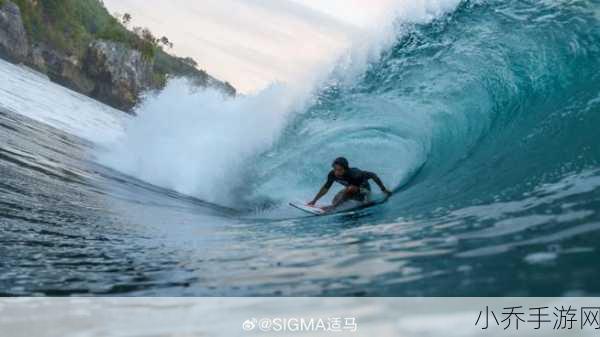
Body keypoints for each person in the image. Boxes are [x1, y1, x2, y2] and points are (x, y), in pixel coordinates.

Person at [308, 157, 392, 211]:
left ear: (345, 169)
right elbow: (325, 188)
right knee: (335, 199)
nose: (337, 172)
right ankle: (334, 206)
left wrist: (383, 189)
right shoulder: (332, 174)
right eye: (335, 169)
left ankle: (334, 207)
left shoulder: (355, 173)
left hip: (365, 191)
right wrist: (314, 200)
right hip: (351, 190)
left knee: (350, 189)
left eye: (340, 170)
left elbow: (373, 175)